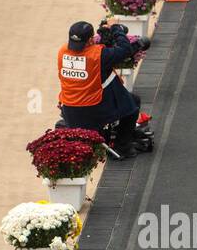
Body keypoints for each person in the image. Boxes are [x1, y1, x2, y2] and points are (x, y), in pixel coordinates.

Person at [58, 21, 147, 160]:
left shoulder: (62, 52)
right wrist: (117, 29)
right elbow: (125, 50)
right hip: (93, 110)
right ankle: (122, 147)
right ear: (90, 39)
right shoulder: (99, 55)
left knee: (118, 95)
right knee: (133, 105)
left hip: (69, 109)